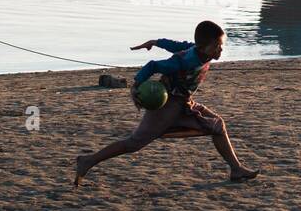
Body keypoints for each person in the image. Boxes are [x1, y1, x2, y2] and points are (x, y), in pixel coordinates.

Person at [74, 20, 259, 186]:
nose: (220, 50)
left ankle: (236, 169)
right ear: (204, 47)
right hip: (167, 105)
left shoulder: (198, 50)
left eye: (221, 46)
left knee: (218, 124)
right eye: (217, 46)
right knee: (134, 143)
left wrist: (155, 42)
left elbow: (175, 45)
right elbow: (154, 65)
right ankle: (88, 161)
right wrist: (136, 85)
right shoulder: (187, 61)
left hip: (184, 102)